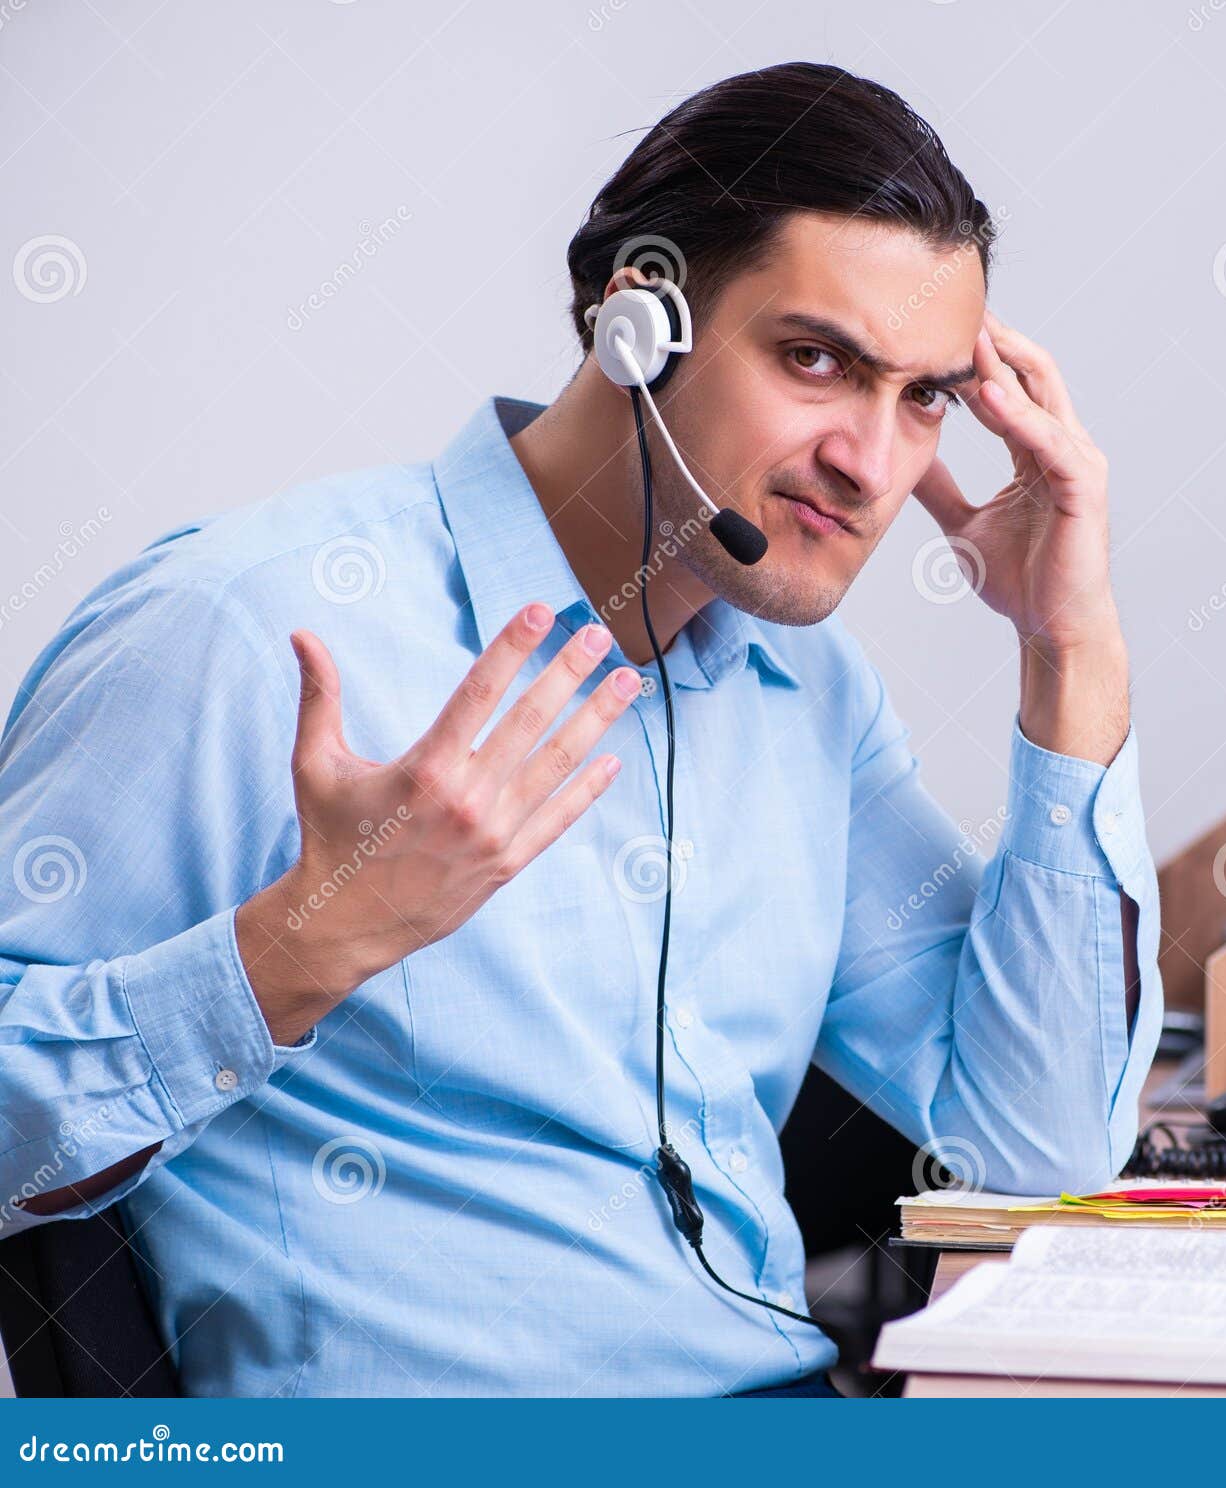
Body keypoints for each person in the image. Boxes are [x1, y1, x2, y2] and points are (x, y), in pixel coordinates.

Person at [0, 61, 1161, 1397]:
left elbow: (1043, 1135)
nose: (876, 461)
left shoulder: (807, 698)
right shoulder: (244, 627)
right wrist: (301, 947)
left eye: (923, 397)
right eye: (815, 360)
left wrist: (1068, 644)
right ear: (638, 324)